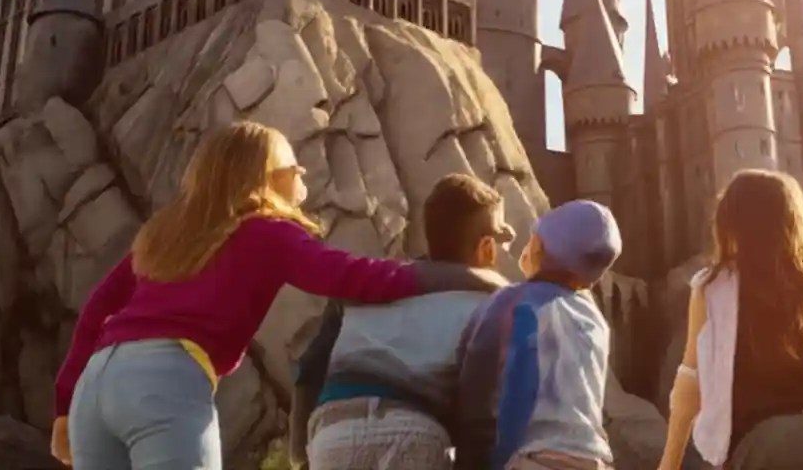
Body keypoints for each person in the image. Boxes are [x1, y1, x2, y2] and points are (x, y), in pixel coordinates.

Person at [48, 121, 507, 470]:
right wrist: (456, 275)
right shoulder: (267, 232)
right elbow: (351, 277)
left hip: (96, 384)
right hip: (164, 381)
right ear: (264, 178)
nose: (301, 176)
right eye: (292, 168)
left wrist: (65, 407)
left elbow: (98, 309)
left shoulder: (165, 233)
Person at [292, 173, 516, 470]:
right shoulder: (486, 304)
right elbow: (479, 409)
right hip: (411, 428)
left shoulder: (373, 283)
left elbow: (309, 371)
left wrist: (299, 455)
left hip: (333, 430)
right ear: (487, 248)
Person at [657, 170, 803, 470]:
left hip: (760, 448)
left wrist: (669, 463)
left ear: (731, 223)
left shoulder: (712, 288)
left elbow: (690, 383)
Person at [455, 199, 622, 470]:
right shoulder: (594, 319)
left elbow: (477, 386)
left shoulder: (512, 302)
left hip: (534, 459)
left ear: (541, 247)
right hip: (593, 460)